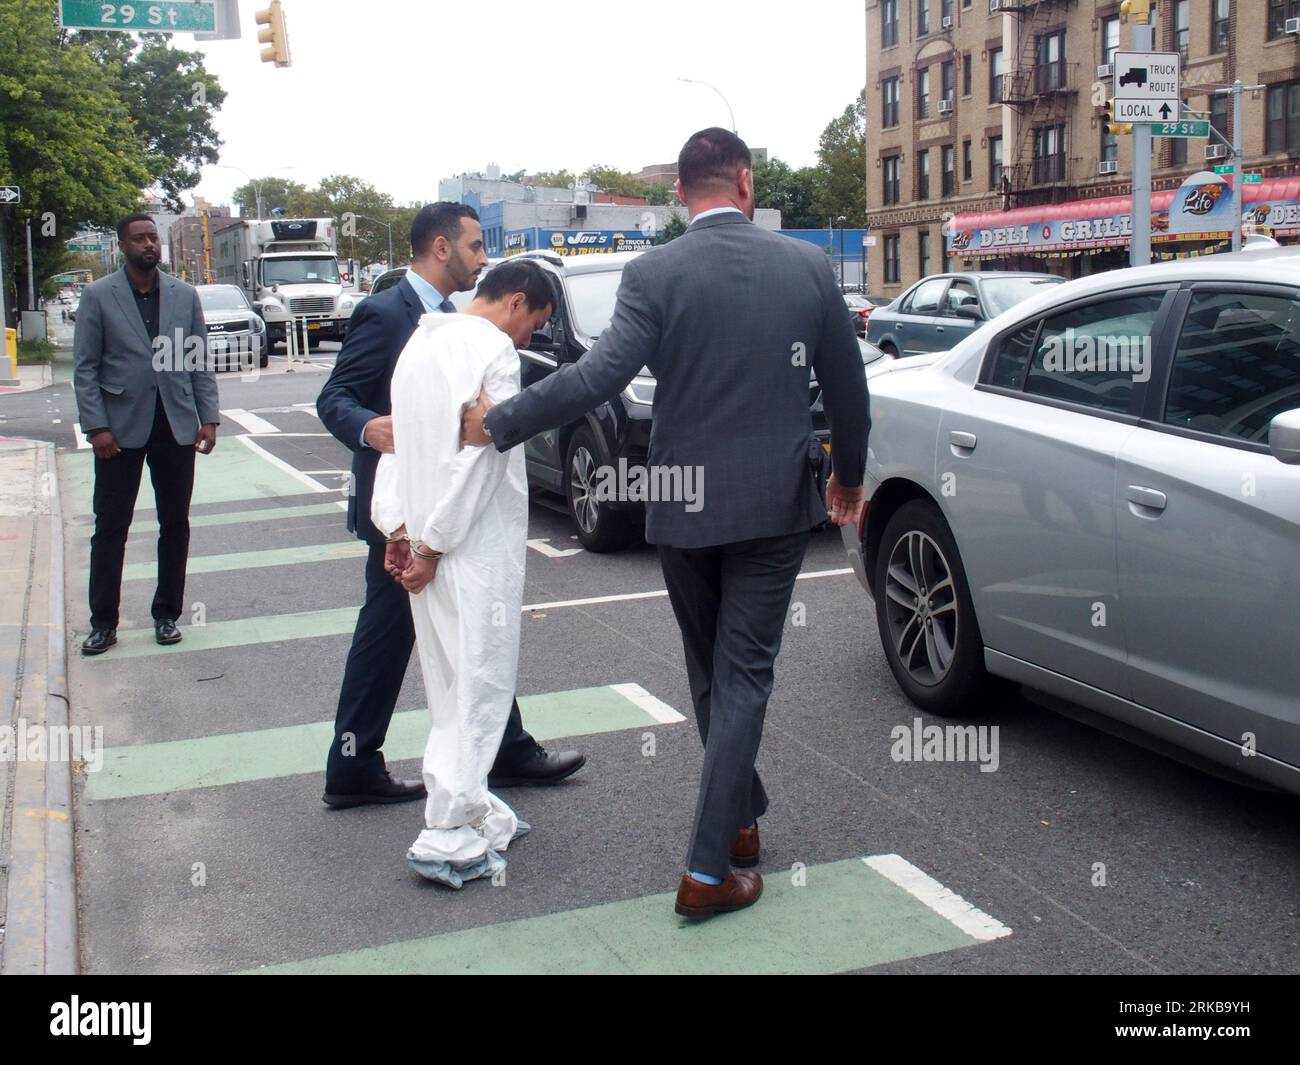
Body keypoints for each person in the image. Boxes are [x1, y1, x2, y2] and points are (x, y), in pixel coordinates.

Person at [463, 129, 870, 919]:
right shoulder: (808, 267)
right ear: (745, 183)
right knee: (744, 672)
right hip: (776, 502)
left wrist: (501, 421)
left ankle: (738, 823)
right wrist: (849, 476)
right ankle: (709, 867)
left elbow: (597, 375)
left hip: (682, 502)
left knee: (713, 672)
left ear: (682, 193)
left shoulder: (654, 272)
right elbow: (847, 389)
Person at [316, 202, 585, 810]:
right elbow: (333, 397)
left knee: (470, 632)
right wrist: (378, 430)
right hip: (406, 505)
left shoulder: (460, 325)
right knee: (394, 637)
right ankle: (354, 763)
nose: (483, 259)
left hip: (440, 513)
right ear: (441, 248)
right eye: (473, 247)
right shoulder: (387, 315)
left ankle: (503, 750)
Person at [371, 259, 554, 887]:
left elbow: (397, 445)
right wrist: (434, 544)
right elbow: (480, 462)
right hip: (472, 548)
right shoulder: (495, 353)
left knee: (447, 678)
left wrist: (398, 530)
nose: (529, 339)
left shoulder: (418, 344)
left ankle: (470, 807)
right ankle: (448, 827)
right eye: (536, 324)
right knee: (480, 682)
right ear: (517, 303)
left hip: (424, 534)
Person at [73, 214, 219, 655]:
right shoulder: (99, 296)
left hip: (175, 426)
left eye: (153, 236)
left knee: (174, 523)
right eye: (140, 238)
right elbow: (86, 369)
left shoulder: (183, 294)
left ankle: (167, 615)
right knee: (111, 527)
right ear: (122, 246)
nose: (149, 244)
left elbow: (198, 361)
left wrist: (207, 416)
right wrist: (96, 426)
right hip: (118, 430)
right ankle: (103, 623)